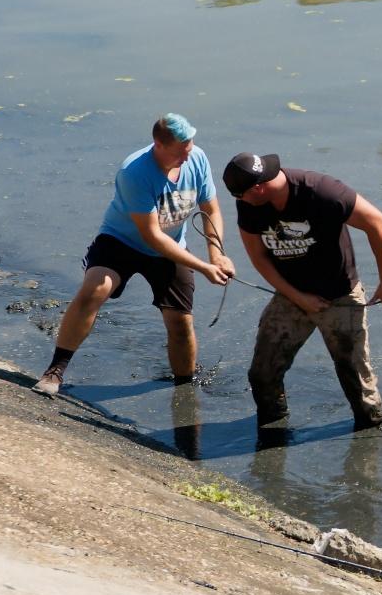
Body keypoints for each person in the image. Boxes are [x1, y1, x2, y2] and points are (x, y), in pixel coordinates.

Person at [32, 114, 235, 396]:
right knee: (95, 289)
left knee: (180, 322)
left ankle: (185, 390)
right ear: (158, 145)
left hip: (172, 247)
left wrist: (217, 256)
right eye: (180, 153)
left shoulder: (197, 158)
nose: (186, 159)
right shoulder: (134, 172)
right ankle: (55, 370)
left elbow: (210, 210)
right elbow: (152, 236)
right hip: (121, 242)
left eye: (189, 150)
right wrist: (203, 267)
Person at [222, 152, 382, 431]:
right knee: (262, 373)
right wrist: (296, 296)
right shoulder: (251, 205)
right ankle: (274, 432)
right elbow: (259, 257)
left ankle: (370, 436)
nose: (237, 201)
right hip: (291, 294)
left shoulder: (321, 191)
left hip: (339, 294)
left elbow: (378, 223)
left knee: (355, 379)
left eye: (239, 195)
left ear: (258, 188)